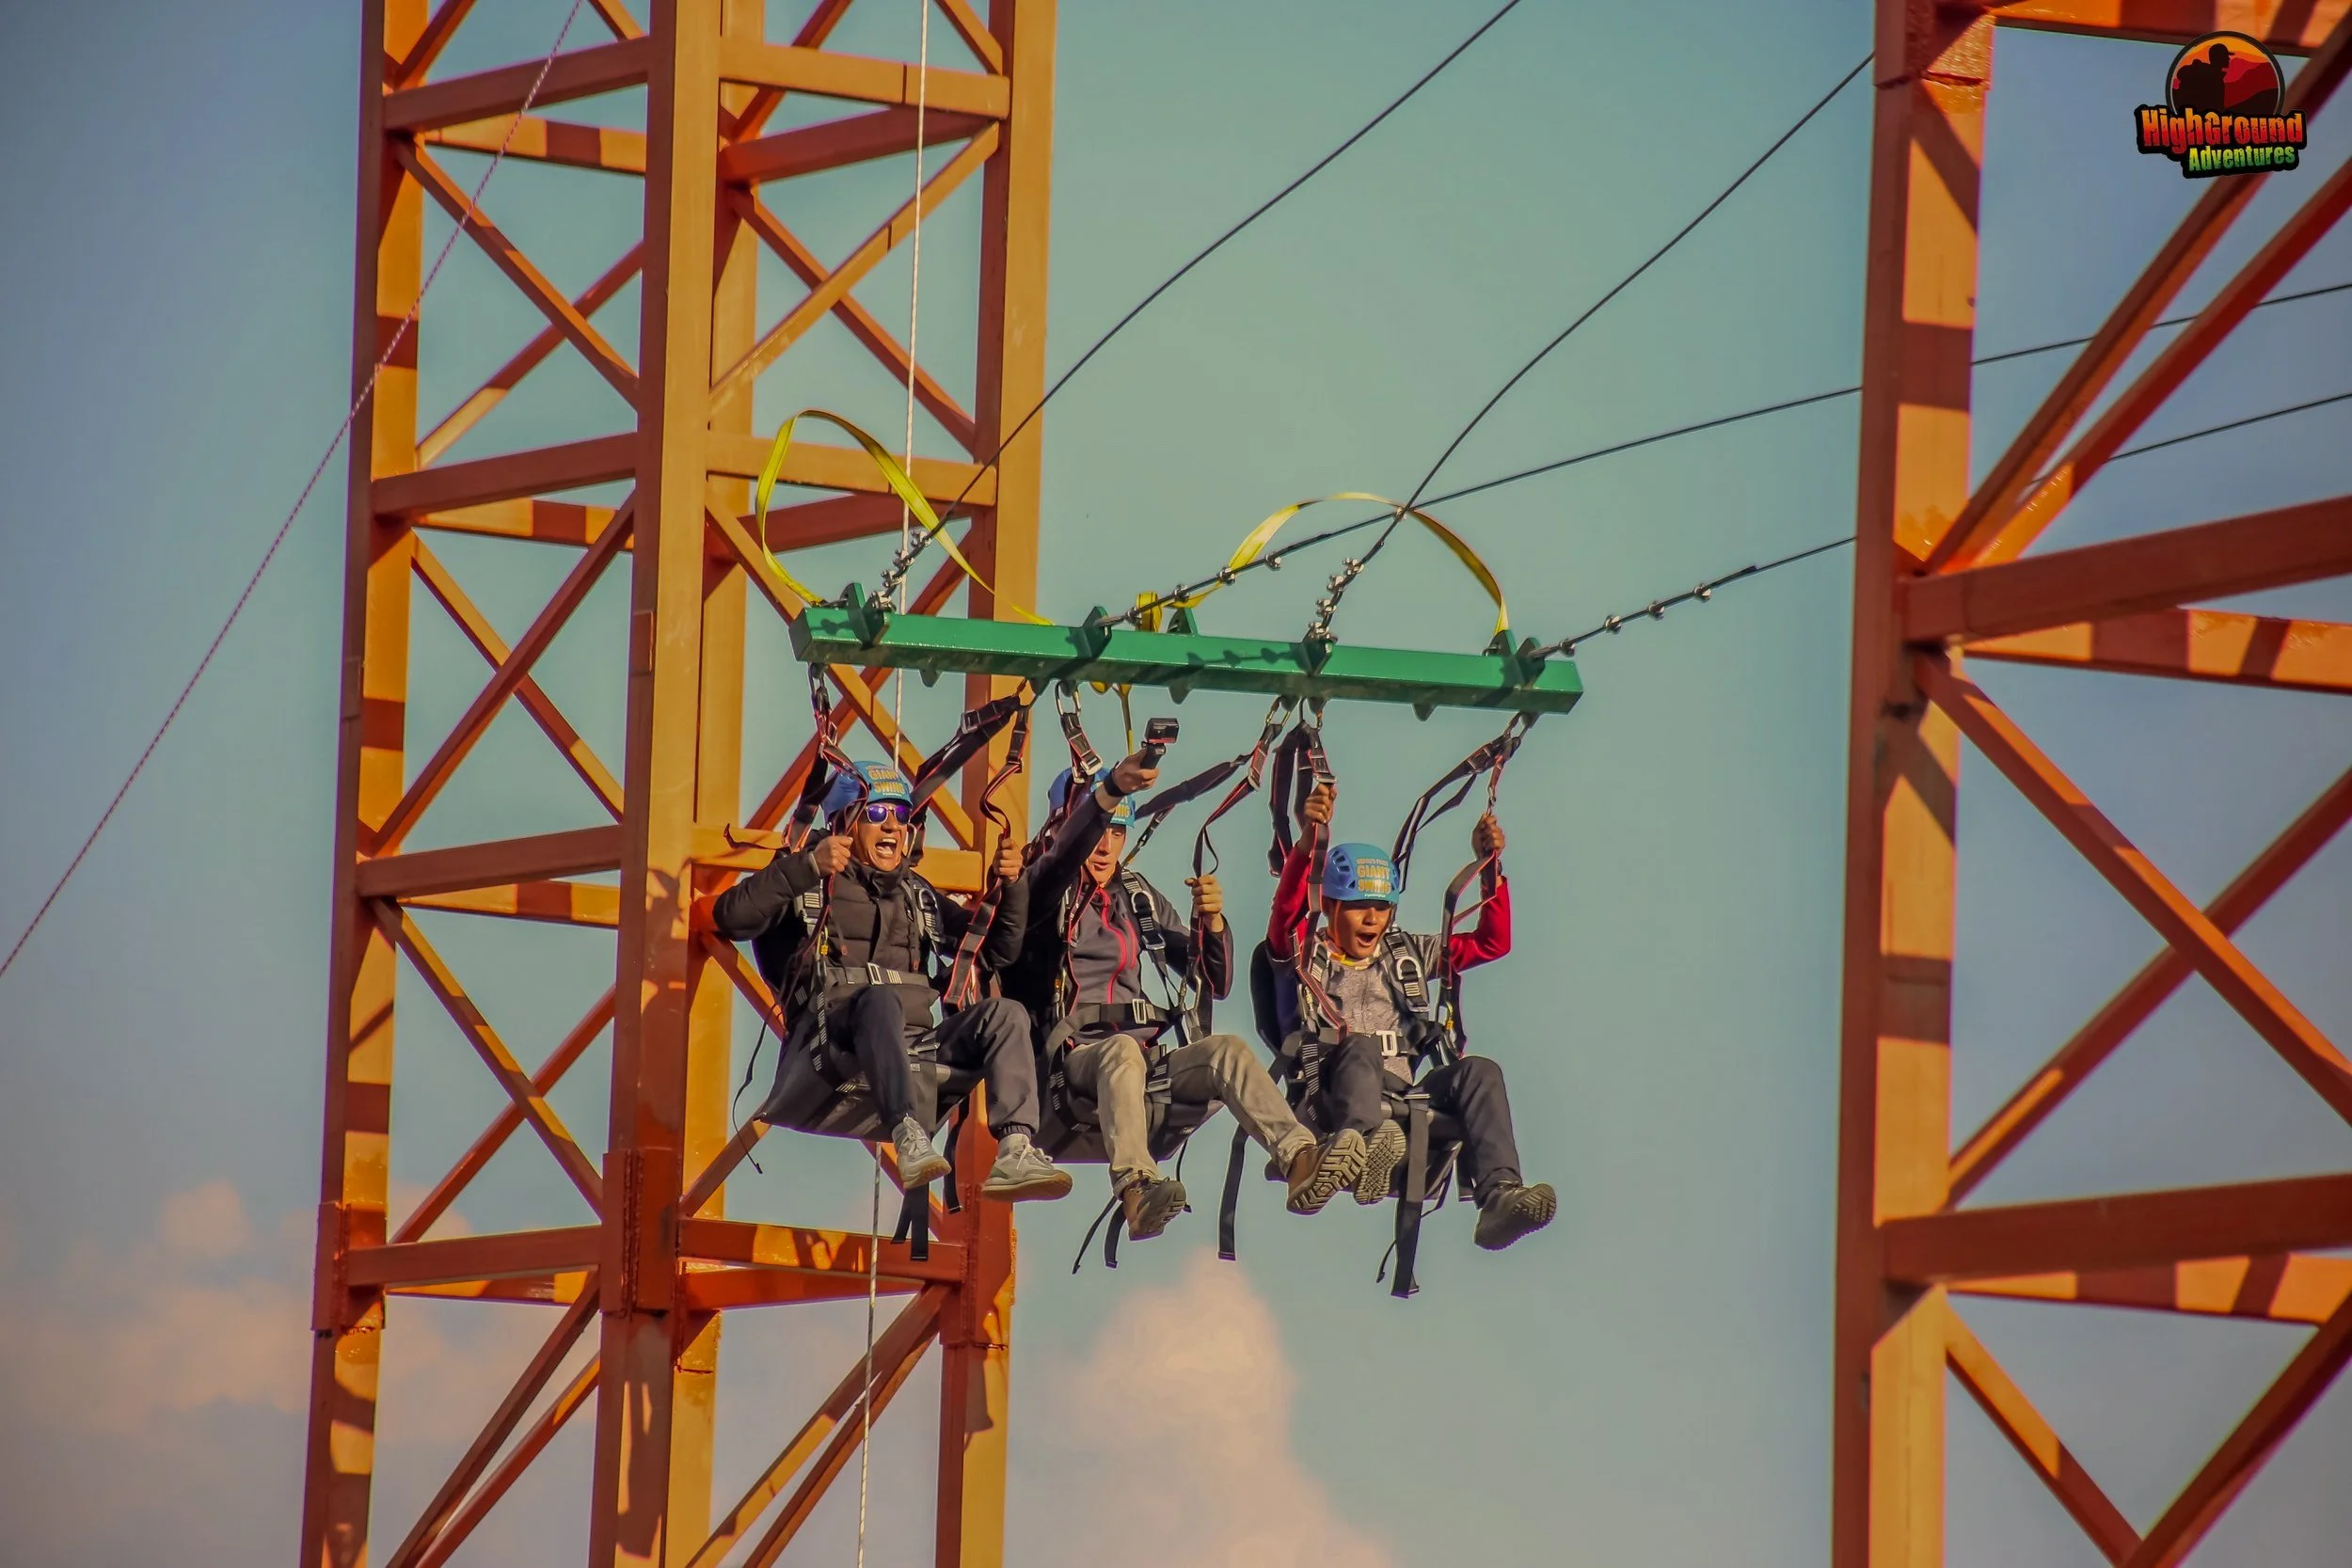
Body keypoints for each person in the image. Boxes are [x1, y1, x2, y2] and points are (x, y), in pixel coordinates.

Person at [1007, 768, 1369, 1240]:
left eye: (1116, 832)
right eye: (1095, 830)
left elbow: (1214, 980)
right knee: (1120, 1053)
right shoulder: (1042, 889)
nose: (1103, 845)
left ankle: (1298, 1158)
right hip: (1066, 1065)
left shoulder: (1136, 897)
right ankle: (1137, 1190)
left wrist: (1212, 925)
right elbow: (1041, 887)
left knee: (1228, 1051)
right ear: (1065, 828)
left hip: (1139, 1063)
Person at [709, 757, 1068, 1202]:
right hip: (833, 1042)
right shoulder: (810, 880)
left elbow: (994, 953)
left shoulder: (916, 895)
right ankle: (908, 1135)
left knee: (1005, 1014)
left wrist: (1012, 888)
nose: (892, 827)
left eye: (901, 815)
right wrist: (804, 867)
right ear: (844, 823)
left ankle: (1015, 1146)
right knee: (880, 1000)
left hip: (916, 1046)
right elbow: (730, 916)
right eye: (876, 813)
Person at [1265, 780, 1555, 1250]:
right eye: (1359, 908)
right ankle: (1353, 1150)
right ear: (1332, 906)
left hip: (1404, 1092)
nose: (1371, 920)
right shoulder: (1304, 954)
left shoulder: (1407, 954)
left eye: (1381, 908)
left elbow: (1491, 943)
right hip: (1331, 1097)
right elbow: (1284, 916)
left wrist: (1490, 869)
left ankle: (1499, 1196)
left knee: (1480, 1071)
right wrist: (1308, 842)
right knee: (1357, 1044)